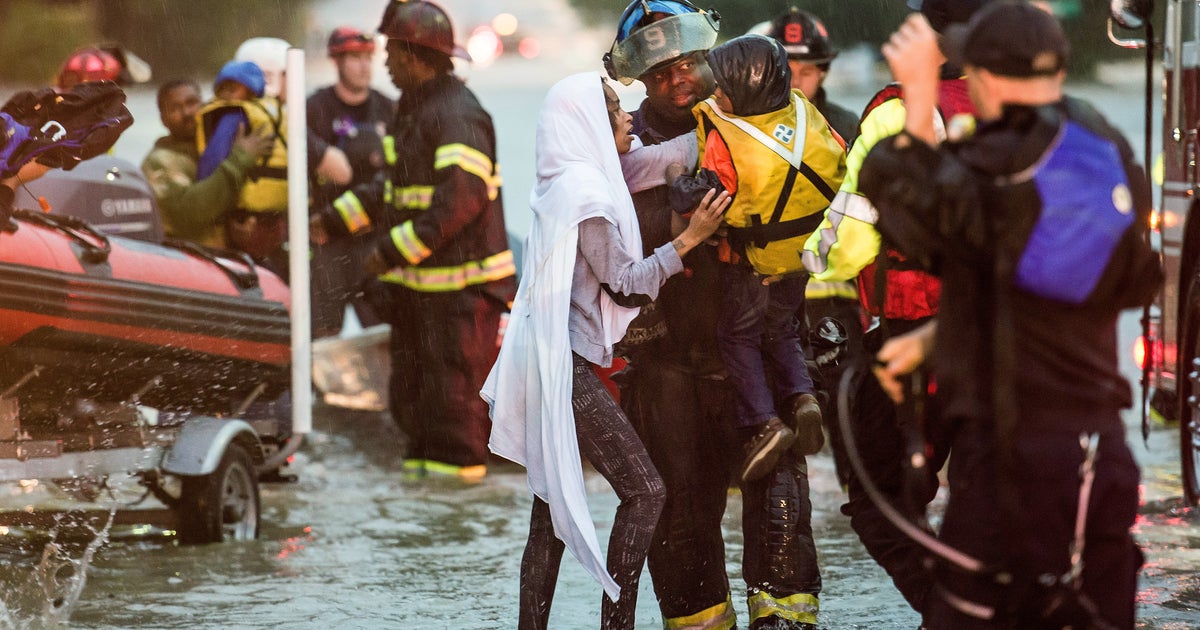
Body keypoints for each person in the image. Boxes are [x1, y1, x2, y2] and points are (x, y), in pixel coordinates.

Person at [860, 3, 1159, 627]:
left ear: (986, 77)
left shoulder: (1001, 163)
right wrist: (941, 337)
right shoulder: (1102, 143)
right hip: (1097, 455)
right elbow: (1067, 283)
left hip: (1015, 464)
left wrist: (917, 98)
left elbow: (903, 207)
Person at [605, 2, 824, 627]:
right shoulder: (623, 144)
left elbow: (822, 216)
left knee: (780, 501)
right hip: (668, 362)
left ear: (710, 56)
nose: (680, 80)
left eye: (690, 63)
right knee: (678, 518)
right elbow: (609, 240)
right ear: (641, 80)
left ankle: (785, 618)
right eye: (660, 71)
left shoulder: (776, 121)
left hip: (756, 349)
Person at [484, 70, 729, 630]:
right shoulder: (587, 197)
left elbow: (646, 159)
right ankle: (616, 625)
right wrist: (688, 241)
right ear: (591, 124)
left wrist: (714, 129)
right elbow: (626, 282)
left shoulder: (567, 173)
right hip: (560, 365)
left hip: (540, 354)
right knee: (646, 493)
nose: (628, 118)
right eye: (616, 111)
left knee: (550, 507)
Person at [800, 0, 988, 619]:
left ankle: (947, 615)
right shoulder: (1029, 109)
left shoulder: (892, 111)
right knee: (985, 502)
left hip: (913, 337)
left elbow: (848, 242)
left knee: (878, 501)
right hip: (1014, 340)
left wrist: (804, 258)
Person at [312, 0, 514, 479]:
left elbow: (458, 203)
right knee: (414, 407)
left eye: (390, 52)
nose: (383, 62)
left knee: (453, 413)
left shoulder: (456, 114)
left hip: (461, 297)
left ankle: (454, 525)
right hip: (421, 294)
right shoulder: (416, 108)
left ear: (412, 54)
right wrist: (332, 222)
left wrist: (385, 252)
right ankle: (420, 512)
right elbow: (391, 189)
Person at [669, 34, 845, 483]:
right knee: (783, 328)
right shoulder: (804, 113)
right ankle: (804, 398)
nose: (716, 96)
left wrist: (676, 181)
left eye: (723, 89)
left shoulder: (727, 136)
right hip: (801, 257)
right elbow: (837, 157)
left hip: (751, 261)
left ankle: (762, 423)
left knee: (737, 337)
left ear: (743, 94)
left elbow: (707, 193)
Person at [764, 8, 865, 486]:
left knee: (851, 422)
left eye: (806, 69)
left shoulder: (850, 126)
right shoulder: (746, 130)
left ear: (824, 71)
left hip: (836, 302)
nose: (796, 80)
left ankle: (854, 505)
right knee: (778, 424)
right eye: (786, 68)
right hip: (773, 300)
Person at [307, 26, 396, 337]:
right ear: (336, 62)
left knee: (386, 333)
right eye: (355, 58)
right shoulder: (315, 109)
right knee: (322, 335)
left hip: (373, 240)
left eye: (368, 58)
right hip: (326, 243)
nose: (363, 66)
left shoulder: (388, 109)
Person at [142, 78, 274, 248]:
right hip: (187, 262)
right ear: (163, 119)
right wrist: (240, 159)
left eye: (192, 103)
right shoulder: (159, 161)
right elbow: (192, 212)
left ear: (203, 104)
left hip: (225, 258)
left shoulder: (217, 149)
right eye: (175, 108)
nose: (186, 112)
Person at [195, 59, 290, 263]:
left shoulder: (233, 116)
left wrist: (203, 186)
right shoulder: (275, 112)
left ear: (251, 91)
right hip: (273, 217)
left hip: (244, 218)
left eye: (233, 88)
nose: (226, 94)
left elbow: (214, 156)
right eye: (222, 88)